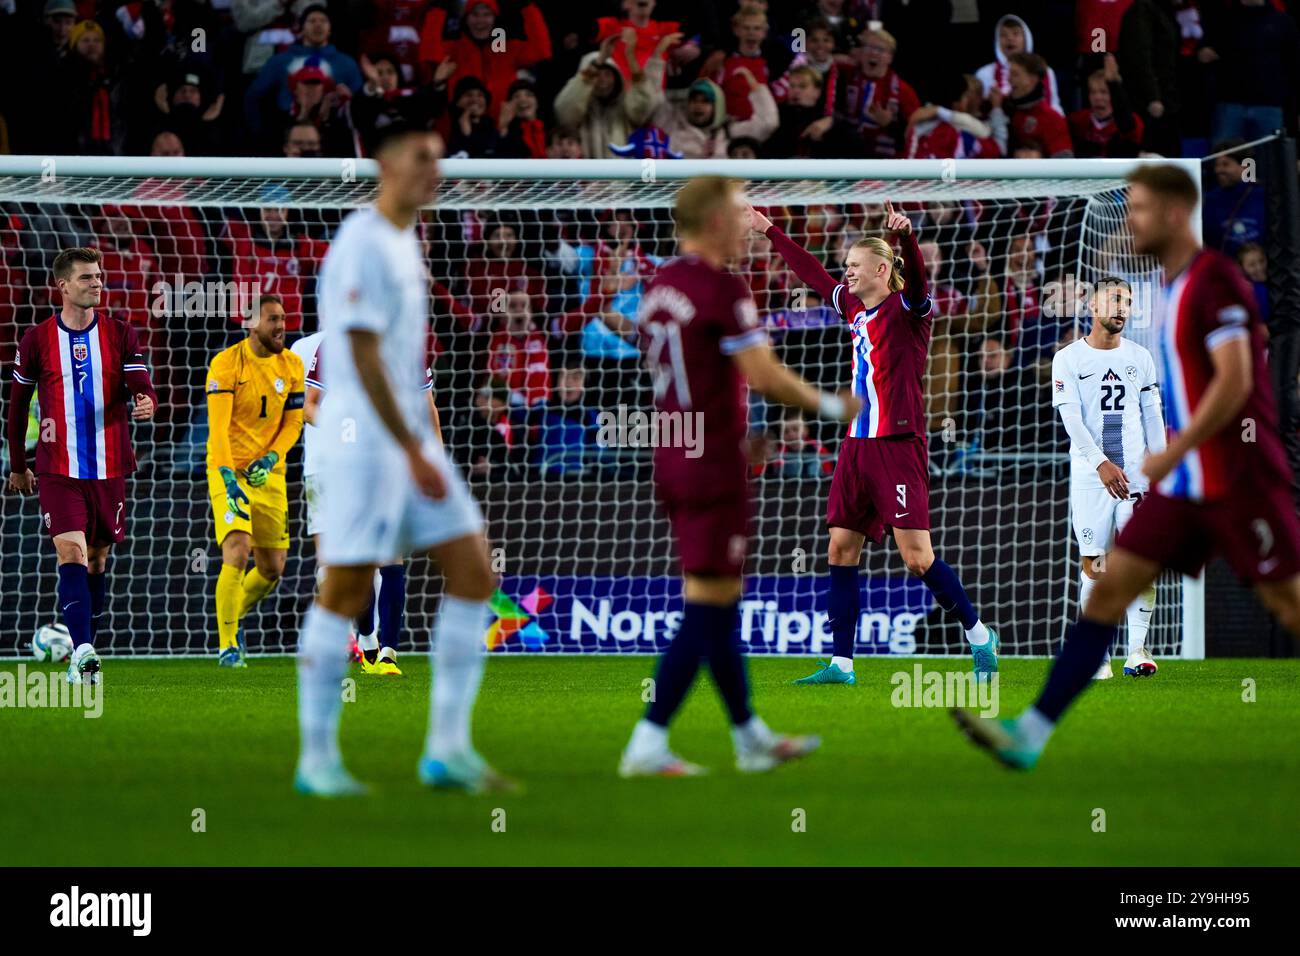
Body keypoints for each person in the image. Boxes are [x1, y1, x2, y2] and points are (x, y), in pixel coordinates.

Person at [954, 164, 1300, 770]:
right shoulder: (1173, 291)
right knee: (1108, 587)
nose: (1128, 221)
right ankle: (1031, 731)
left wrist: (1173, 446)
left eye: (1138, 209)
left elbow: (1240, 380)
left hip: (1237, 478)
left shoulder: (1213, 282)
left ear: (1170, 214)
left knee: (1287, 600)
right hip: (1182, 483)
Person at [618, 176, 861, 777]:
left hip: (675, 454)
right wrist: (832, 406)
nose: (748, 222)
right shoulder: (721, 286)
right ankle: (648, 742)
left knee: (720, 599)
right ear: (713, 221)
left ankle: (749, 735)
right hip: (713, 467)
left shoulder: (659, 288)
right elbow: (765, 374)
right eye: (738, 213)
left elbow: (693, 374)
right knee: (707, 605)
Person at [295, 123, 511, 796]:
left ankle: (446, 748)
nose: (434, 170)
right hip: (361, 444)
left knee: (474, 568)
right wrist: (411, 444)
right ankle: (318, 758)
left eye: (438, 160)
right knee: (345, 589)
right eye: (422, 158)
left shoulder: (403, 245)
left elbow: (404, 366)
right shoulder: (361, 242)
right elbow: (358, 355)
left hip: (406, 442)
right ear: (385, 165)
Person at [753, 202, 1000, 685]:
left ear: (882, 270)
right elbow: (811, 272)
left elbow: (922, 285)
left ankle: (978, 635)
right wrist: (770, 231)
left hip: (899, 446)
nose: (845, 271)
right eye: (846, 266)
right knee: (840, 549)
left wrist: (908, 237)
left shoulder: (910, 311)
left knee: (916, 558)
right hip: (856, 445)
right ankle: (841, 664)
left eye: (854, 265)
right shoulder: (851, 305)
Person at [6, 247, 158, 684]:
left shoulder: (120, 333)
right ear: (63, 286)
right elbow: (17, 409)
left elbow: (138, 380)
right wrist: (20, 463)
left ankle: (82, 655)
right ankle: (85, 651)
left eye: (99, 276)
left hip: (109, 467)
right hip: (57, 467)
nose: (97, 283)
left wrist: (146, 398)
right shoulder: (36, 339)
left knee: (97, 560)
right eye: (88, 278)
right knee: (70, 551)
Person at [1050, 277, 1165, 679]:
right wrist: (1100, 464)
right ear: (1092, 305)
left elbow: (1152, 416)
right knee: (1095, 565)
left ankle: (1137, 650)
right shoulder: (1068, 359)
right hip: (1090, 477)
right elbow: (1072, 421)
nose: (1122, 307)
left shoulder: (1141, 357)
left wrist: (1161, 466)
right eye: (1115, 298)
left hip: (1135, 479)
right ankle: (1097, 656)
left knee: (1140, 561)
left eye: (1128, 301)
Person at [205, 295, 305, 668]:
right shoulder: (226, 364)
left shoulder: (291, 365)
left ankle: (236, 614)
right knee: (237, 548)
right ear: (251, 324)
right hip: (227, 470)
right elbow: (217, 431)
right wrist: (230, 478)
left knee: (272, 569)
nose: (281, 326)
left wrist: (272, 457)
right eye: (272, 320)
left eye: (282, 318)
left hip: (269, 474)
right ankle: (228, 646)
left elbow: (294, 422)